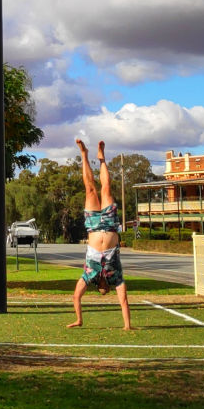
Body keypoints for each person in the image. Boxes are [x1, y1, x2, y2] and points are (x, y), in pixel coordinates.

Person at [67, 138, 131, 330]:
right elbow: (124, 300)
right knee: (106, 189)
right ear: (109, 287)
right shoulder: (116, 277)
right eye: (106, 291)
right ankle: (102, 158)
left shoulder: (89, 275)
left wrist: (79, 319)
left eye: (101, 291)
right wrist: (127, 325)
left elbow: (76, 296)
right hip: (110, 225)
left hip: (93, 226)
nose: (104, 290)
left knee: (89, 190)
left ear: (98, 287)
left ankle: (84, 155)